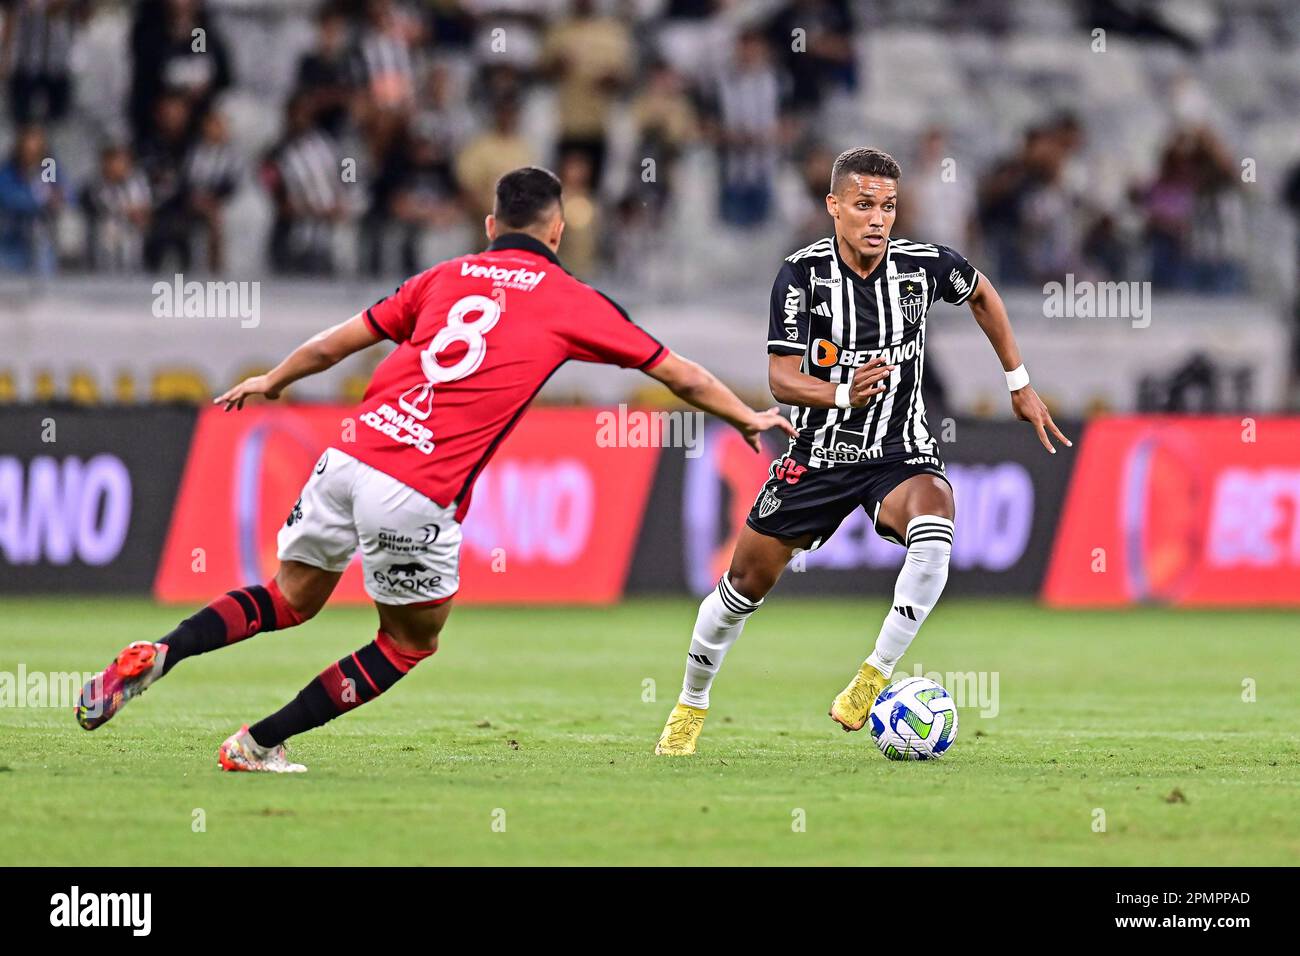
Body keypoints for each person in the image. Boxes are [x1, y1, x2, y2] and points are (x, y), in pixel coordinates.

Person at [74, 166, 795, 773]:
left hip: (349, 454)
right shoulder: (573, 300)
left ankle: (163, 651)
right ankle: (258, 742)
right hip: (415, 490)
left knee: (288, 600)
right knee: (408, 642)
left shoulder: (443, 276)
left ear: (489, 226)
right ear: (557, 230)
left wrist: (274, 379)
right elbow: (680, 373)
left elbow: (337, 343)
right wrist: (747, 417)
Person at [654, 147, 1070, 755]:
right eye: (865, 205)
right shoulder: (801, 276)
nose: (878, 219)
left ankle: (872, 677)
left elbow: (982, 294)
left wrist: (1019, 382)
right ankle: (691, 704)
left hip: (899, 451)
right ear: (834, 207)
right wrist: (843, 391)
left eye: (889, 207)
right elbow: (781, 379)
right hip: (817, 456)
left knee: (936, 525)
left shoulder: (924, 266)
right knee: (742, 585)